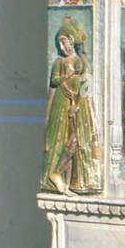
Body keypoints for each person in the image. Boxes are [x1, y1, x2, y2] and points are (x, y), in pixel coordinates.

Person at [40, 20, 102, 195]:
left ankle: (65, 176)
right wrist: (67, 77)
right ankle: (57, 176)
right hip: (62, 103)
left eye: (64, 41)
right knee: (64, 137)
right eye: (59, 43)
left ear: (72, 40)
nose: (61, 46)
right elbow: (53, 80)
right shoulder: (59, 61)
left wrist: (78, 103)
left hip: (77, 105)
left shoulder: (80, 62)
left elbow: (86, 84)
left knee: (76, 138)